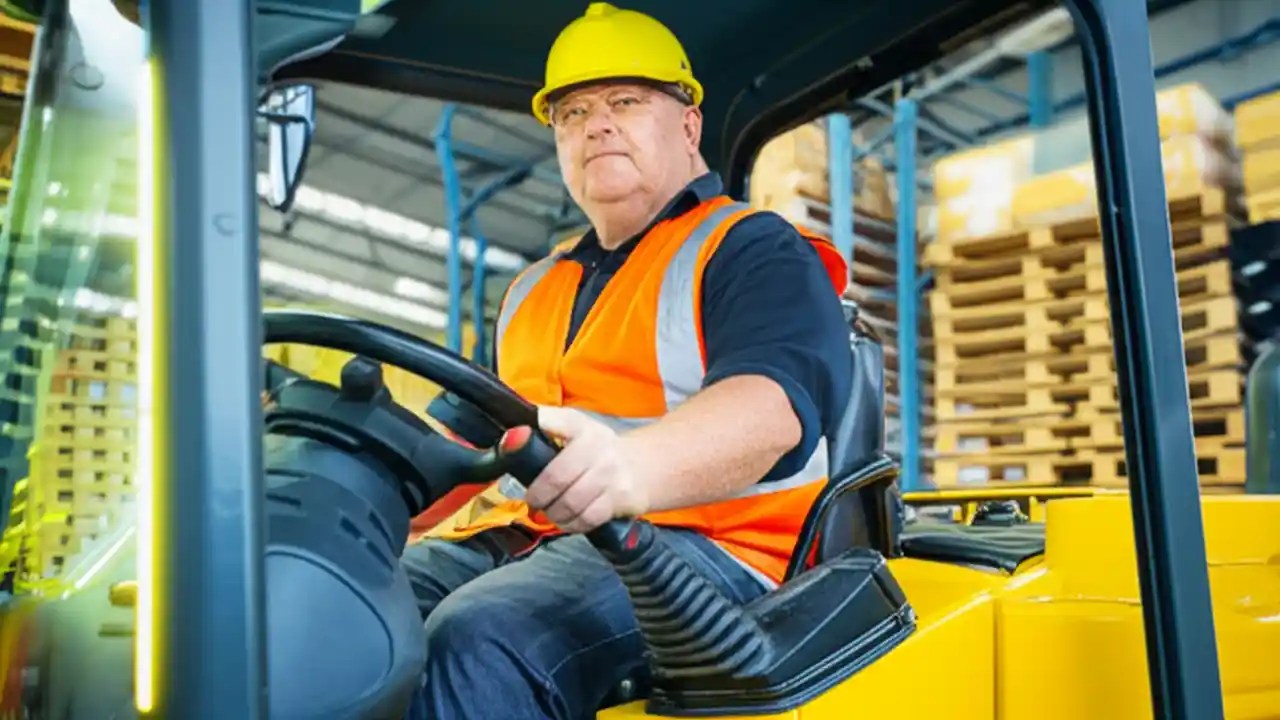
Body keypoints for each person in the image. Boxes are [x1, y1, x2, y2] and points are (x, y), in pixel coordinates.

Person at [402, 3, 855, 717]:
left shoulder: (752, 247)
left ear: (688, 124)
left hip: (707, 550)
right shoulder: (532, 286)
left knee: (478, 640)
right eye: (572, 112)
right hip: (533, 537)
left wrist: (630, 468)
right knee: (354, 602)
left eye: (625, 101)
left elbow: (770, 407)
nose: (597, 124)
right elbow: (463, 438)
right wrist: (359, 489)